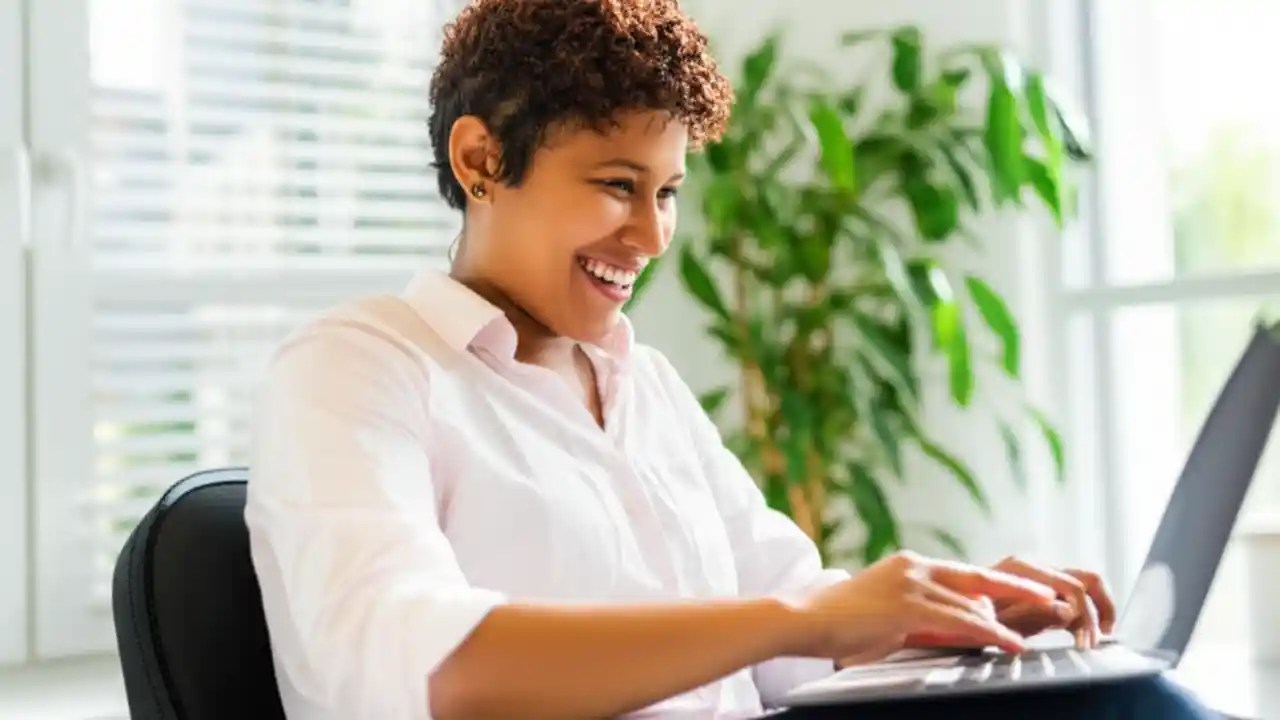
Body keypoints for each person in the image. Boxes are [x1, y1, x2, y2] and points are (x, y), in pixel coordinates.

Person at [245, 1, 1220, 718]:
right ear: (479, 162)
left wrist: (950, 611)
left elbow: (798, 632)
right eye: (616, 184)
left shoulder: (642, 385)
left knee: (1112, 699)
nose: (651, 234)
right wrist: (800, 621)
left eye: (667, 191)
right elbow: (427, 670)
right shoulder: (357, 369)